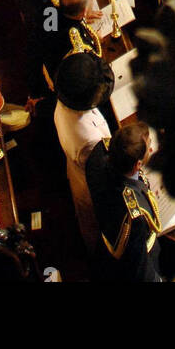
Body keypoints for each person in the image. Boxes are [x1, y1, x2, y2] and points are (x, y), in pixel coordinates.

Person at [53, 51, 115, 252]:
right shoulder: (90, 139)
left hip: (77, 168)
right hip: (90, 186)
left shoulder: (65, 98)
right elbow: (107, 176)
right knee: (95, 231)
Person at [85, 121, 162, 282]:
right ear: (137, 165)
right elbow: (140, 267)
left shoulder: (98, 154)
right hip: (131, 261)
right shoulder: (135, 218)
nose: (151, 150)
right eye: (148, 148)